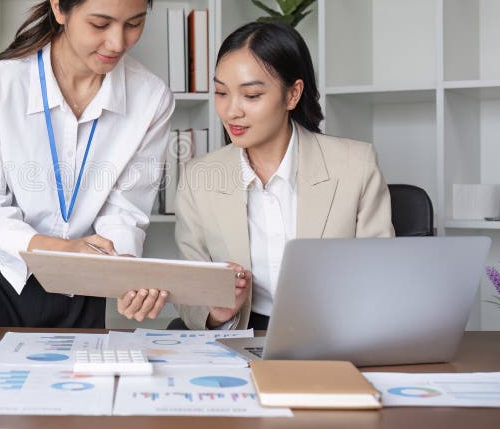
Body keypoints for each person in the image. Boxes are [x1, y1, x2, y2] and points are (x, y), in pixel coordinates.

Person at [0, 0, 174, 328]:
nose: (117, 42)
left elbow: (126, 209)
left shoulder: (151, 98)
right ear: (59, 7)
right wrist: (62, 250)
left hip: (80, 280)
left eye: (134, 24)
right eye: (100, 23)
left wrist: (123, 271)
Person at [117, 21, 394, 328]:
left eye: (251, 95)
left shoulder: (355, 166)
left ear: (292, 95)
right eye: (221, 93)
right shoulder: (199, 178)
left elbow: (382, 279)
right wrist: (218, 313)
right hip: (242, 335)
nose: (231, 111)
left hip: (337, 332)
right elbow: (192, 297)